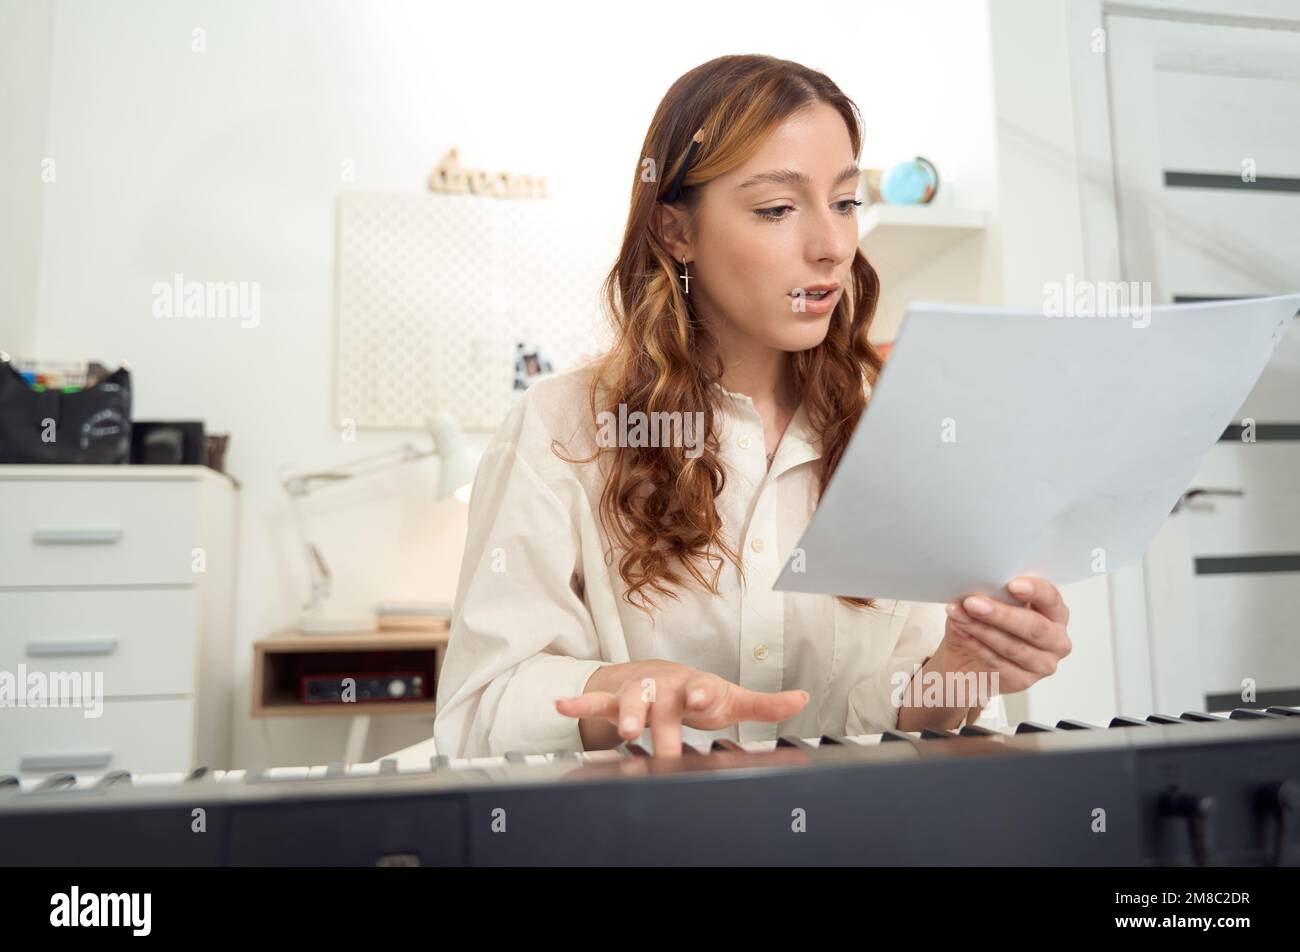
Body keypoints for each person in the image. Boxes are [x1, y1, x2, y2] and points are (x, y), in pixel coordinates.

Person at [433, 54, 1072, 759]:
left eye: (846, 202)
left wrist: (961, 669)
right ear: (676, 231)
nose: (830, 247)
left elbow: (883, 716)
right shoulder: (559, 431)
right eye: (776, 209)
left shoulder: (895, 432)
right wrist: (619, 689)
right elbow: (479, 711)